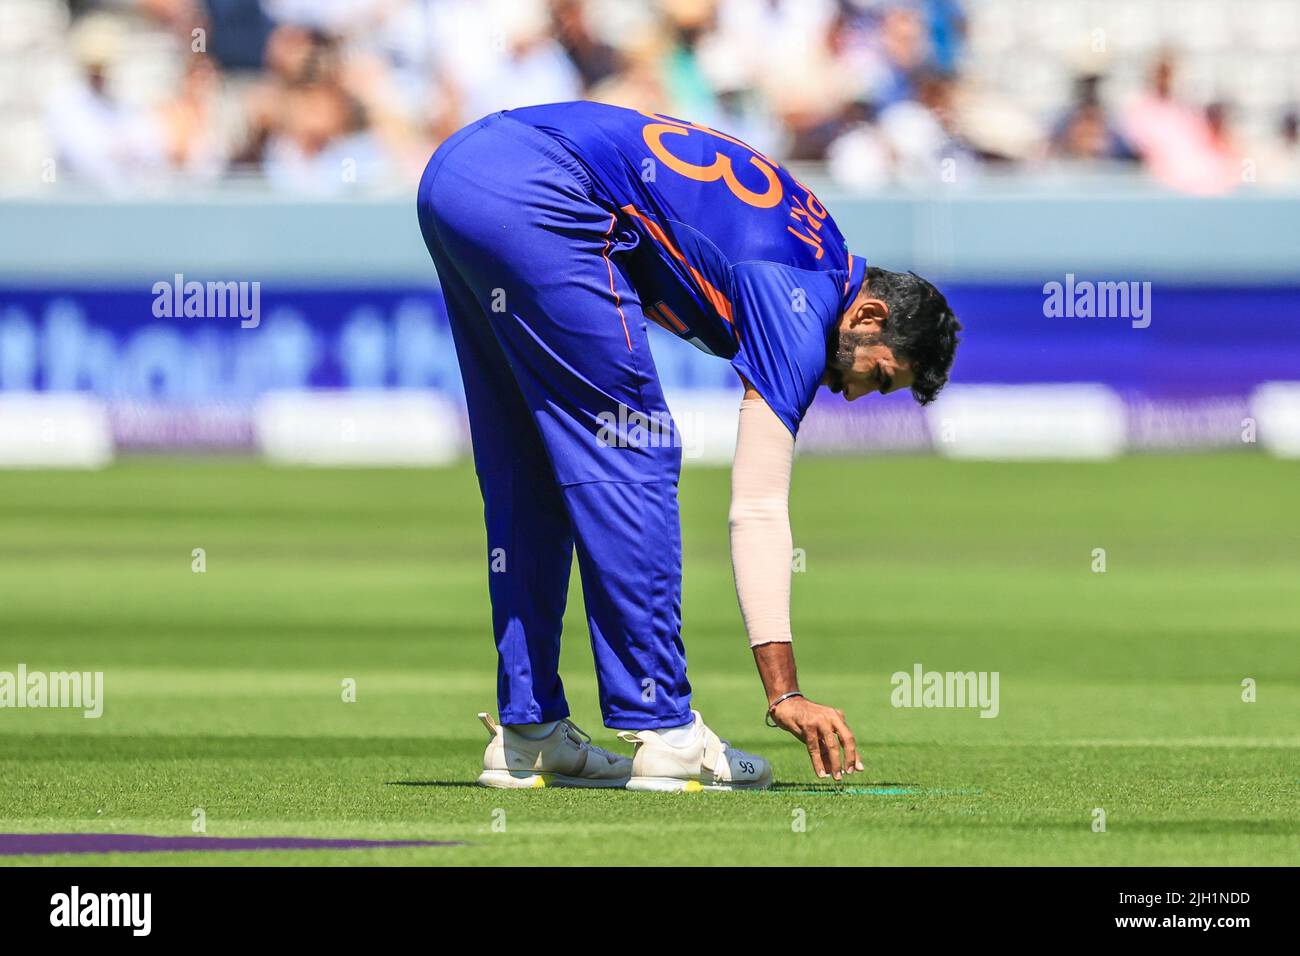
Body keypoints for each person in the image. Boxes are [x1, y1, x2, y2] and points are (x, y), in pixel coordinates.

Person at [416, 101, 960, 791]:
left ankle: (531, 731)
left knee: (532, 460)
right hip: (543, 187)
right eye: (876, 375)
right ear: (869, 315)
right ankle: (666, 730)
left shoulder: (815, 246)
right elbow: (758, 507)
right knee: (635, 446)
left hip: (459, 168)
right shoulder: (805, 304)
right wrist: (784, 692)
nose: (852, 394)